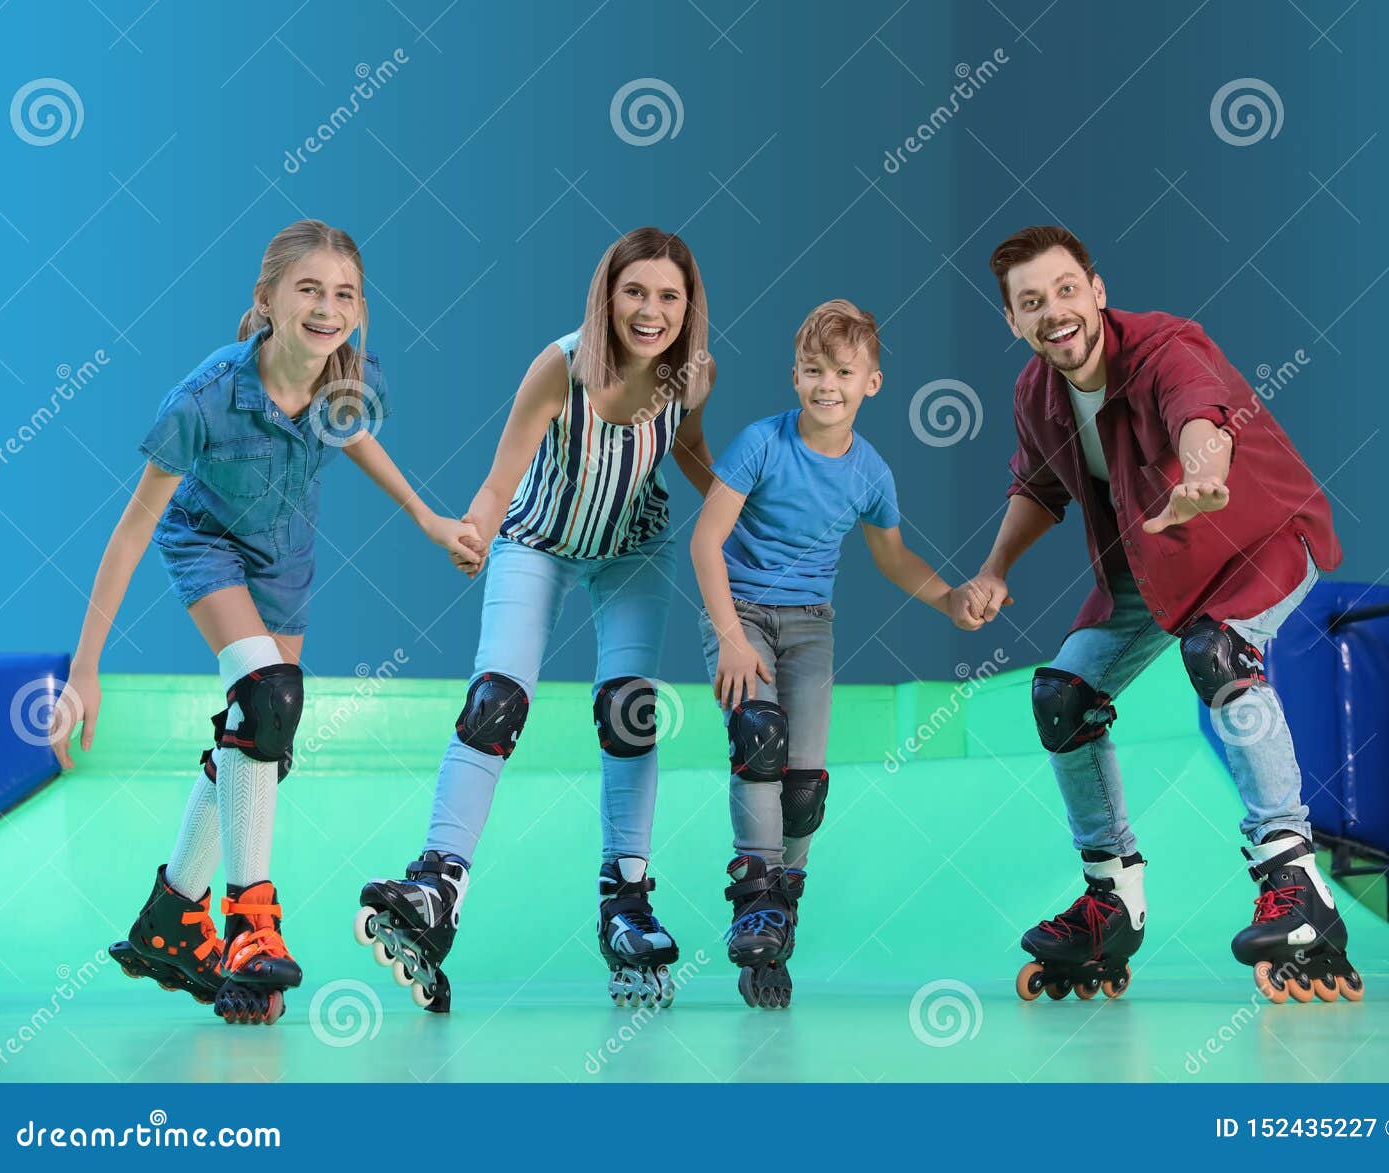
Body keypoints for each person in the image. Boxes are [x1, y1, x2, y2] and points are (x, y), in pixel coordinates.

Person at [50, 219, 481, 1025]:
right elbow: (132, 530)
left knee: (261, 740)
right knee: (268, 697)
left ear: (360, 310)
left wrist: (426, 516)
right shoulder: (204, 398)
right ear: (267, 300)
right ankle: (251, 922)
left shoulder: (351, 378)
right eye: (308, 289)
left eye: (344, 294)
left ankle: (173, 918)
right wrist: (85, 667)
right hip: (208, 545)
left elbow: (351, 433)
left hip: (284, 560)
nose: (327, 308)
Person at [953, 225, 1361, 1005]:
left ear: (1097, 291)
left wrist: (1203, 476)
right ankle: (1111, 897)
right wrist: (994, 569)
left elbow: (1200, 419)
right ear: (1013, 320)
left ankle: (1294, 875)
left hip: (1258, 538)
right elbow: (1039, 487)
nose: (1055, 312)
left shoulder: (1166, 348)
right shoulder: (1035, 393)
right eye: (1032, 302)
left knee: (1218, 653)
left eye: (1066, 290)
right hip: (1153, 563)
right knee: (1062, 696)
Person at [355, 227, 716, 1013]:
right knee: (496, 701)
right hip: (538, 541)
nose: (650, 310)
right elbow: (499, 481)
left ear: (689, 307)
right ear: (606, 295)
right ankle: (439, 883)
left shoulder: (692, 374)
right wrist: (476, 531)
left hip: (633, 548)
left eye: (668, 296)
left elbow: (688, 446)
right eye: (635, 291)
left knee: (630, 711)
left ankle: (626, 898)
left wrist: (733, 507)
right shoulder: (561, 367)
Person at [691, 298, 979, 1009]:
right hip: (741, 614)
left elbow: (894, 557)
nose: (828, 385)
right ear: (795, 376)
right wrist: (730, 637)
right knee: (759, 740)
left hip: (810, 627)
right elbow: (706, 540)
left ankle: (783, 907)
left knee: (804, 787)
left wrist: (949, 598)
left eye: (844, 372)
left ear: (871, 383)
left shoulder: (870, 473)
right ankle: (755, 896)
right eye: (814, 370)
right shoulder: (761, 443)